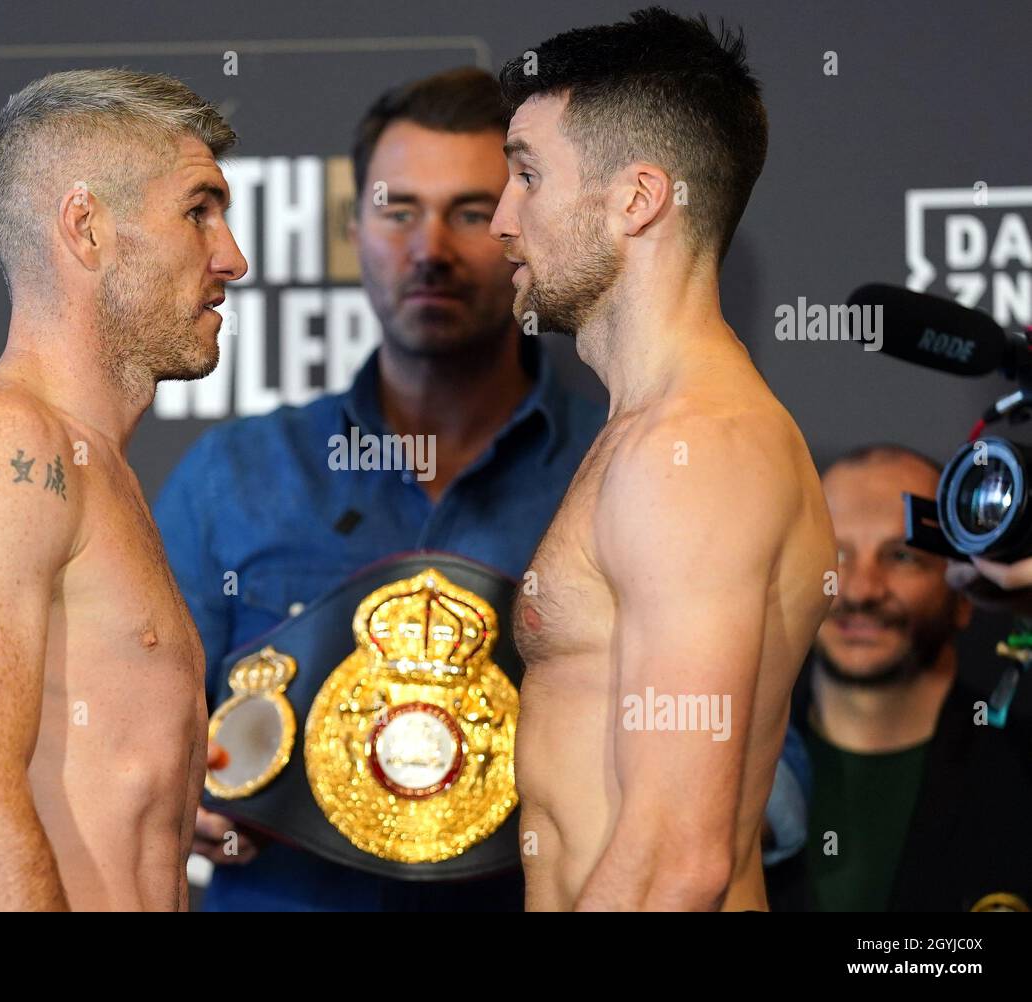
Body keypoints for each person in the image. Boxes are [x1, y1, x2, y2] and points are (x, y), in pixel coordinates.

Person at [154, 67, 606, 911]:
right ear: (354, 226)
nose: (430, 248)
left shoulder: (620, 470)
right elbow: (120, 743)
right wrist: (168, 801)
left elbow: (760, 774)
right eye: (399, 210)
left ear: (522, 225)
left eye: (472, 212)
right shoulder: (233, 478)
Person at [0, 69, 247, 910]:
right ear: (86, 227)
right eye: (198, 210)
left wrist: (167, 806)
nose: (232, 258)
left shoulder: (95, 467)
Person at [494, 9, 837, 911]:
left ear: (638, 199)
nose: (499, 220)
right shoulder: (648, 434)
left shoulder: (695, 452)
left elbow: (675, 862)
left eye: (527, 173)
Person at [767, 445, 1032, 911]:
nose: (861, 590)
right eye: (834, 553)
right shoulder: (738, 770)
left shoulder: (1021, 775)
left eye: (902, 557)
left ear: (967, 592)